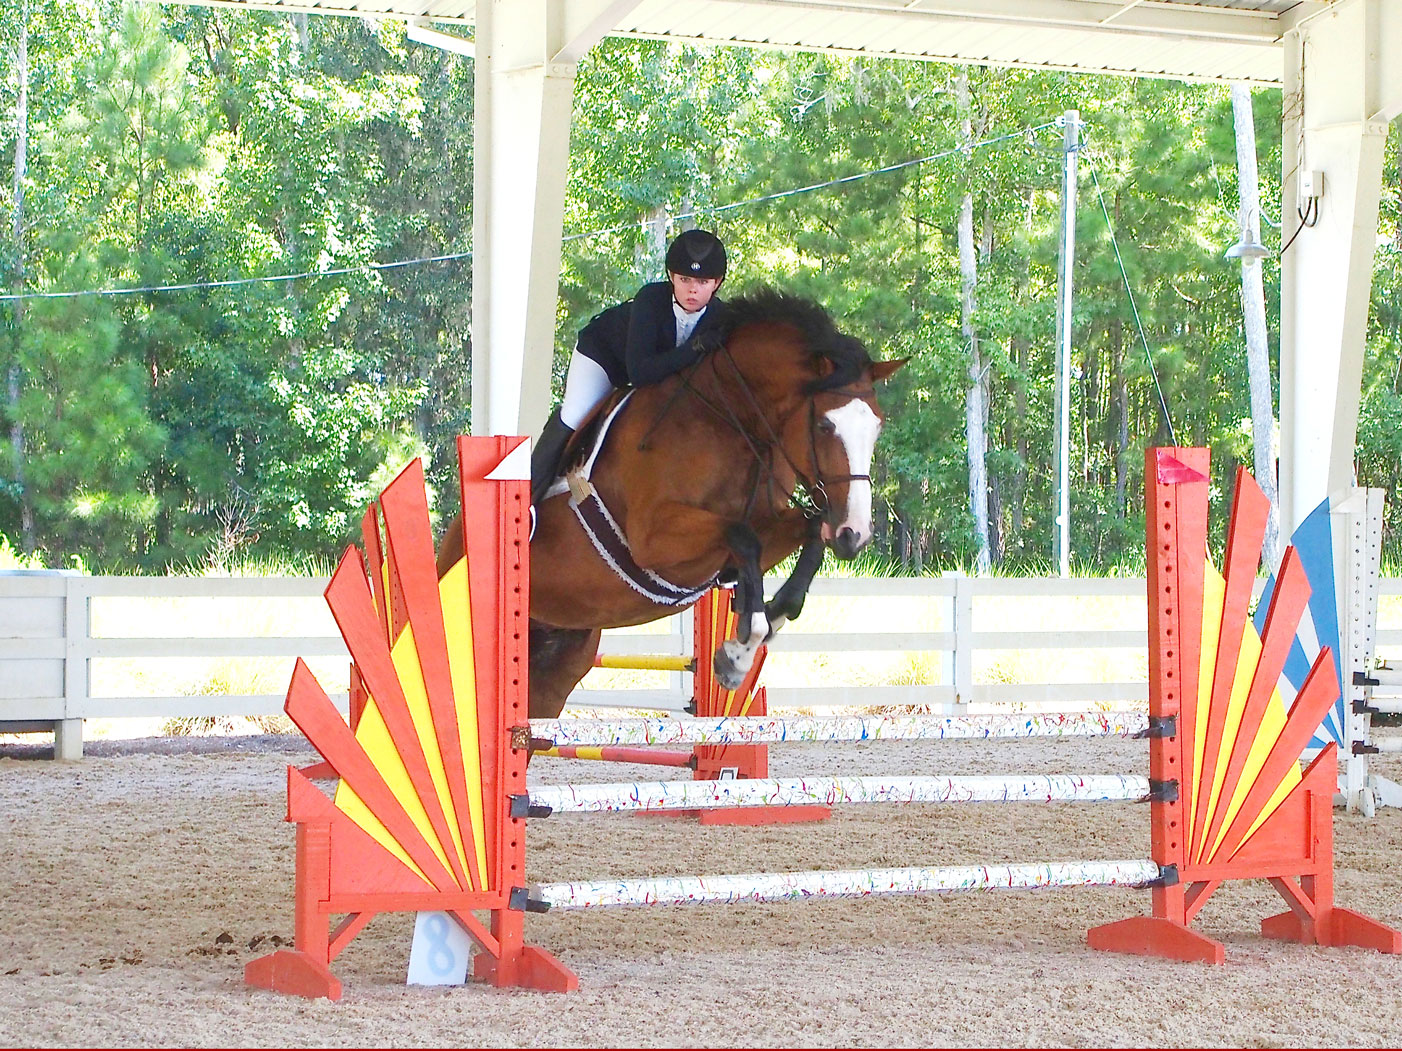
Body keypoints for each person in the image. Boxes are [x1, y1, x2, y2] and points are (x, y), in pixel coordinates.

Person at [530, 228, 729, 505]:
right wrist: (693, 349)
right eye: (684, 279)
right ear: (671, 277)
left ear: (717, 283)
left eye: (703, 281)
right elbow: (640, 373)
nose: (693, 289)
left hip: (657, 379)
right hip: (604, 359)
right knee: (575, 415)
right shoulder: (650, 300)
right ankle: (523, 502)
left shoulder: (721, 318)